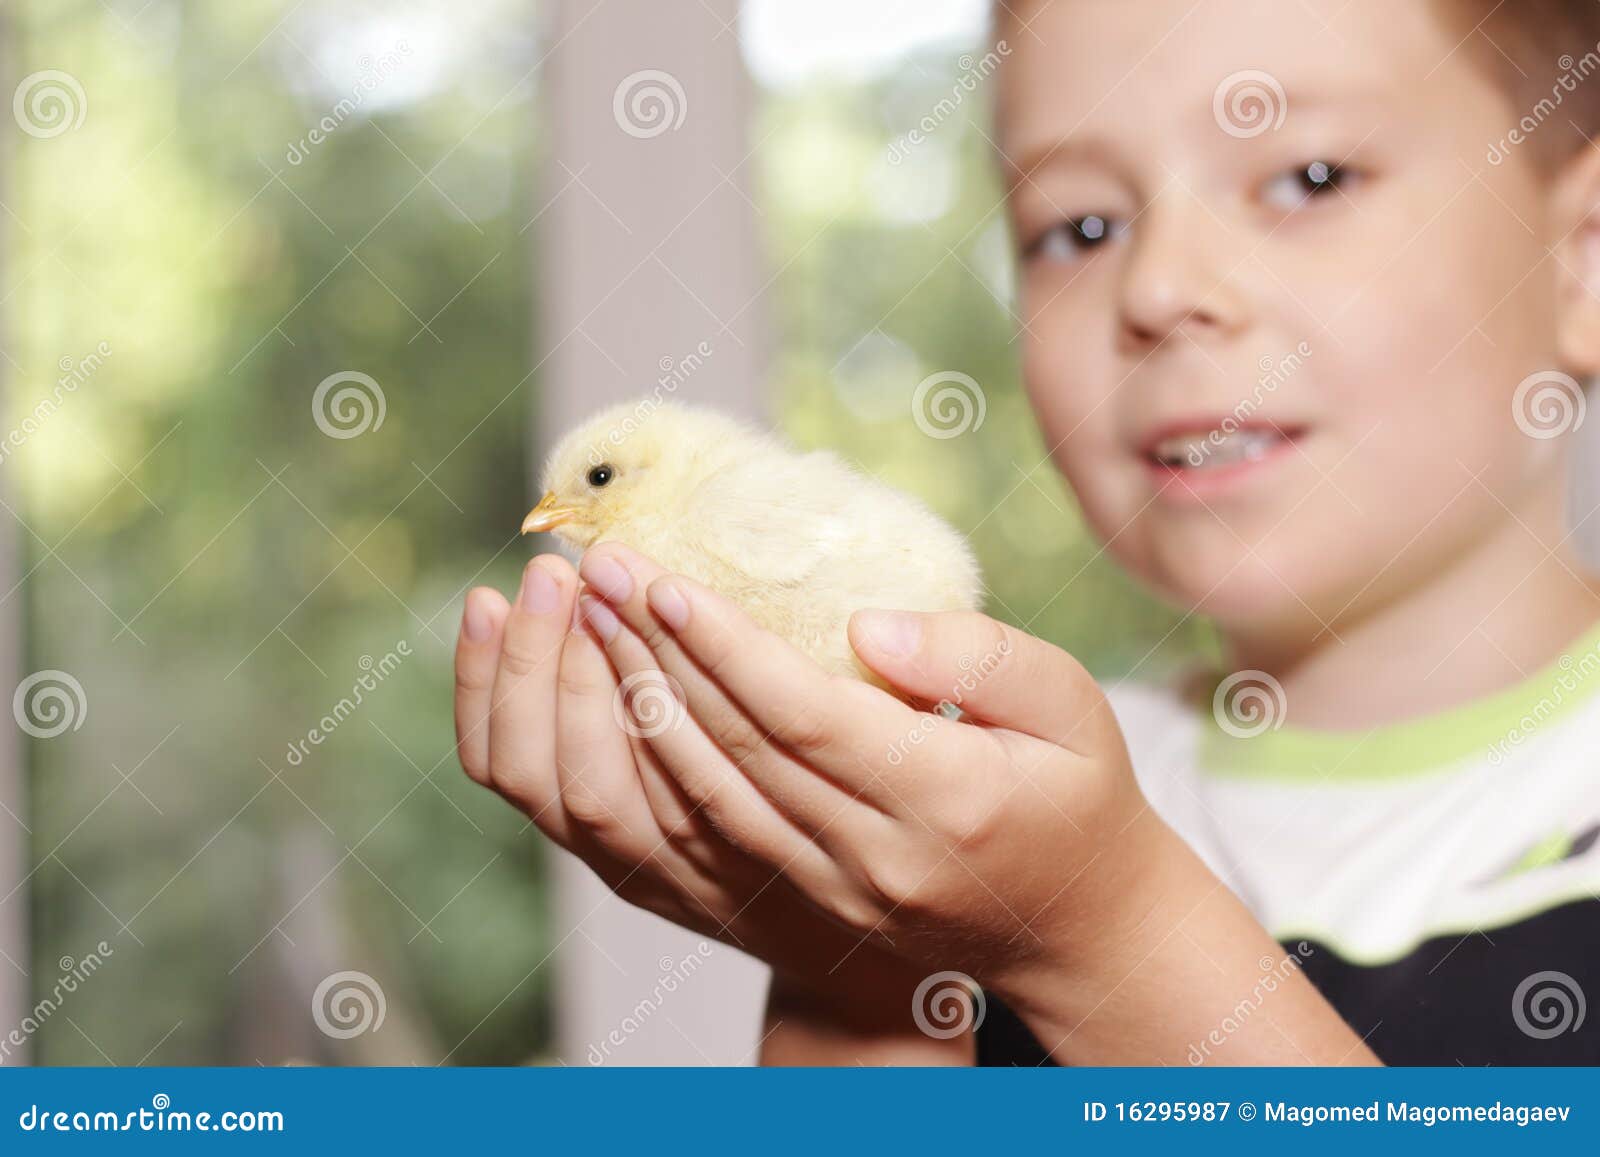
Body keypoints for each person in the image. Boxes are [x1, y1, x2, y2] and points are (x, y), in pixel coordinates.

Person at [453, 0, 1600, 1065]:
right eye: (1079, 225)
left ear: (1583, 254)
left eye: (1306, 176)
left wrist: (1104, 938)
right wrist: (855, 974)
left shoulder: (1049, 851)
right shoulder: (999, 804)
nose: (1158, 285)